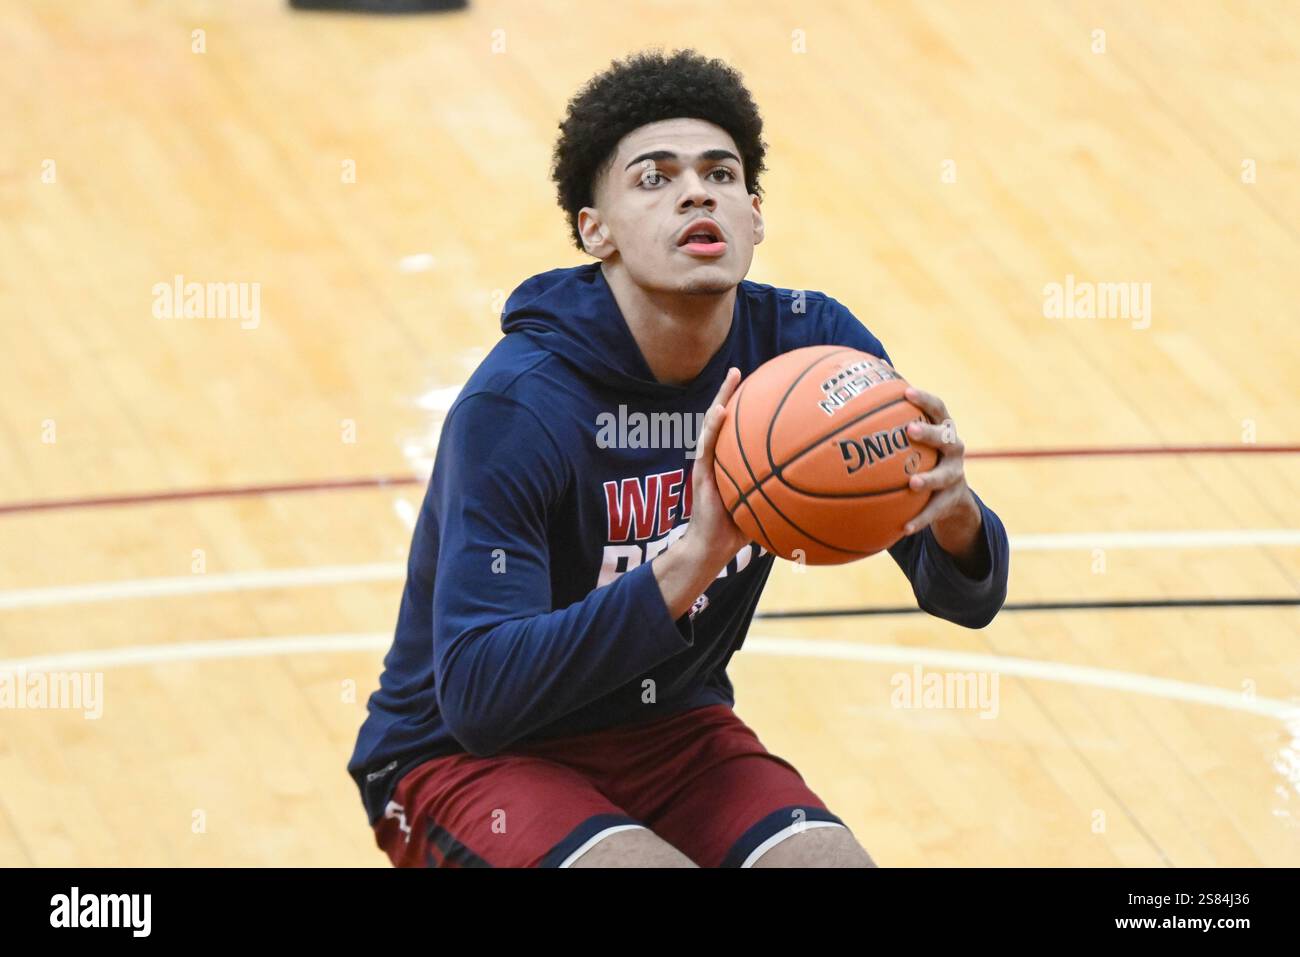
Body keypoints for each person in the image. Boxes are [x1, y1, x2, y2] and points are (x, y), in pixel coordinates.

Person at [348, 48, 1010, 867]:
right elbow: (482, 696)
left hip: (672, 724)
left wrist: (952, 512)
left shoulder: (810, 352)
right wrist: (693, 558)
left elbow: (964, 598)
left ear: (755, 214)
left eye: (721, 174)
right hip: (460, 755)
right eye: (654, 178)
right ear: (597, 231)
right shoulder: (518, 406)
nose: (697, 190)